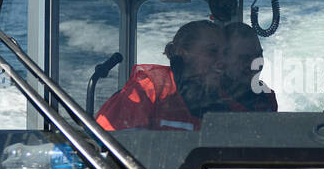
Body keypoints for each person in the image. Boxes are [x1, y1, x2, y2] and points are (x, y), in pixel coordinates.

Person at [95, 20, 228, 131]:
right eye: (212, 52)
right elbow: (105, 141)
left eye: (225, 53)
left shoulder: (225, 97)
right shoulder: (149, 90)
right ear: (183, 53)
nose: (222, 61)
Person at [222, 22, 278, 113]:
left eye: (258, 55)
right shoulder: (204, 102)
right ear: (223, 58)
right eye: (245, 58)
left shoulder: (268, 97)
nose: (255, 64)